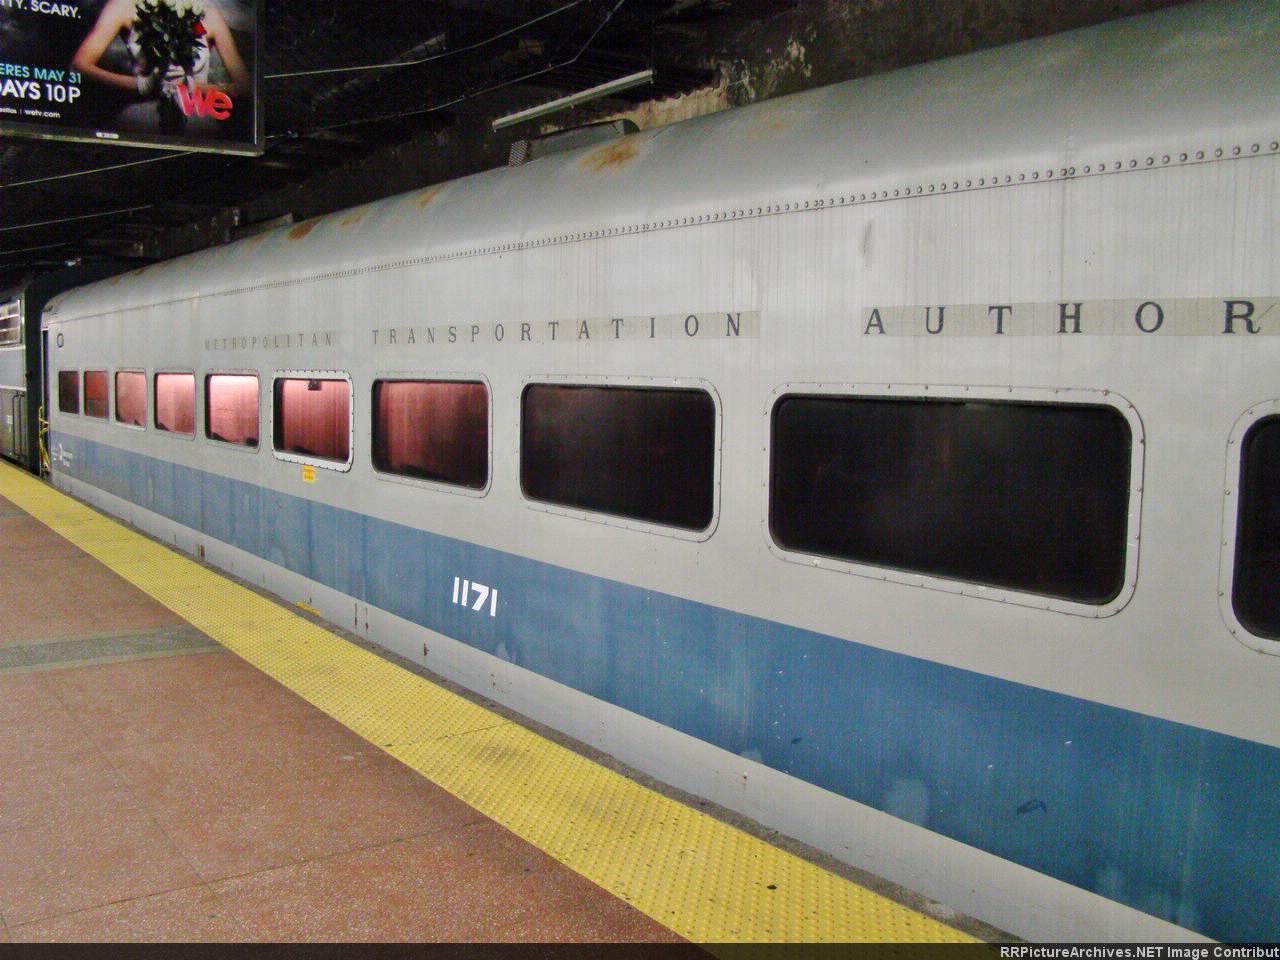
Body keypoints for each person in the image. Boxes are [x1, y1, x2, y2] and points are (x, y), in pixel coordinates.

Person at [70, 0, 250, 135]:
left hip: (196, 122)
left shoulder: (209, 15)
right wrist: (141, 85)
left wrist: (193, 88)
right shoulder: (123, 6)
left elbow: (244, 88)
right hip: (141, 117)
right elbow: (79, 66)